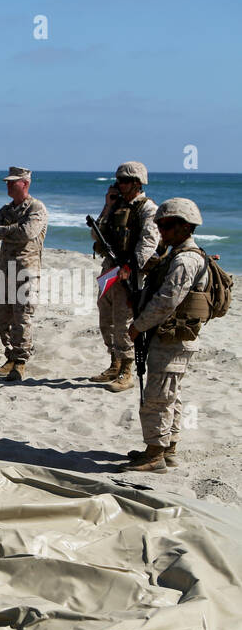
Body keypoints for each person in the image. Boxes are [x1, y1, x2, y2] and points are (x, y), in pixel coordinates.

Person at [123, 198, 215, 473]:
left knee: (158, 397)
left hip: (172, 338)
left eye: (166, 225)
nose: (161, 230)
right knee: (169, 394)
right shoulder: (176, 255)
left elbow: (167, 300)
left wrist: (138, 325)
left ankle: (154, 455)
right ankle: (167, 447)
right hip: (169, 337)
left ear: (185, 227)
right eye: (159, 225)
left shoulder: (185, 260)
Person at [90, 161, 158, 391]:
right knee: (105, 317)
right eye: (118, 180)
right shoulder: (116, 205)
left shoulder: (147, 209)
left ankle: (127, 369)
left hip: (129, 272)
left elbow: (148, 242)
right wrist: (107, 206)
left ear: (137, 183)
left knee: (124, 321)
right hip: (110, 269)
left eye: (124, 181)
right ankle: (115, 362)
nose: (119, 184)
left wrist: (130, 267)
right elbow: (95, 234)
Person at [0, 167, 48, 382]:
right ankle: (10, 356)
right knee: (3, 317)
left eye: (13, 182)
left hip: (25, 272)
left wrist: (6, 230)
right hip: (5, 271)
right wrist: (12, 230)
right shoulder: (5, 209)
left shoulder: (36, 208)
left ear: (25, 183)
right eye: (7, 182)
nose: (9, 185)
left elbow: (27, 233)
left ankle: (20, 362)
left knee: (22, 318)